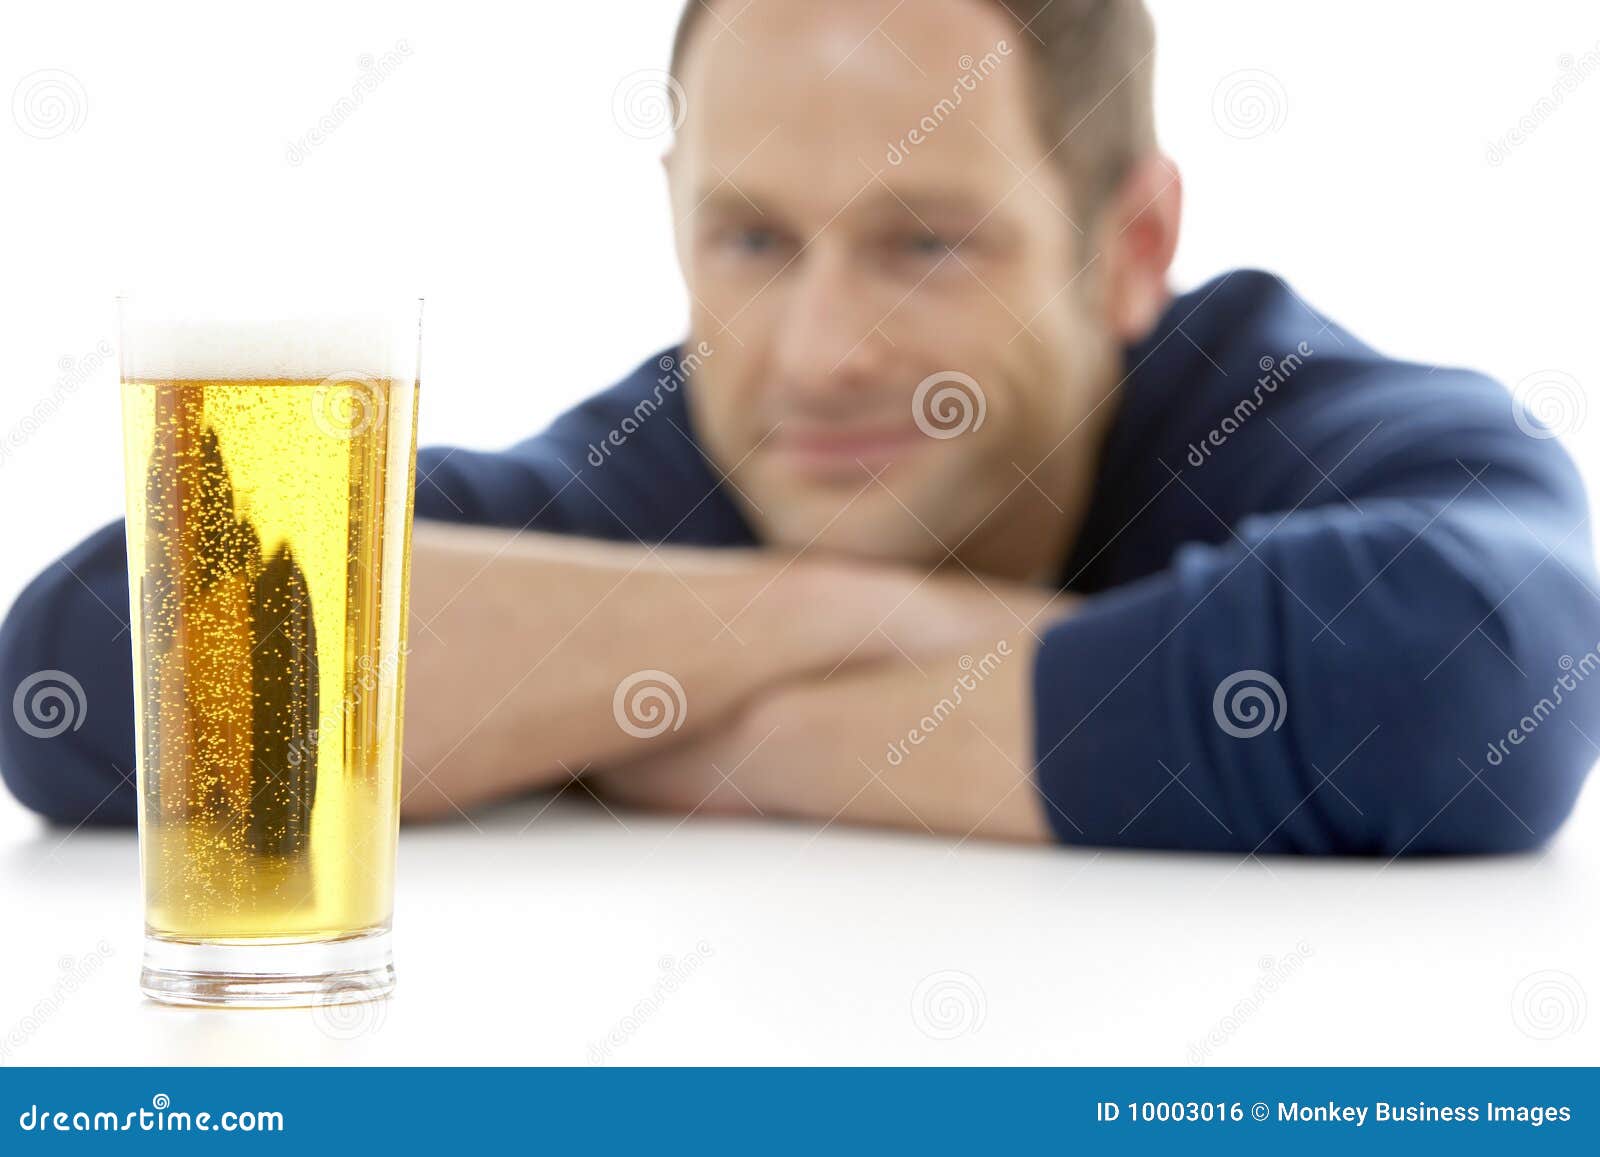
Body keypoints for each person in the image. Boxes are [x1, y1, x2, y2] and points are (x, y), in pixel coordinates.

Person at [3, 0, 1597, 853]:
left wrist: (648, 718)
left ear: (1130, 246)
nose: (820, 353)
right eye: (754, 241)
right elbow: (91, 670)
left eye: (926, 241)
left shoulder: (1286, 412)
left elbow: (1455, 675)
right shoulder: (672, 460)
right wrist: (845, 616)